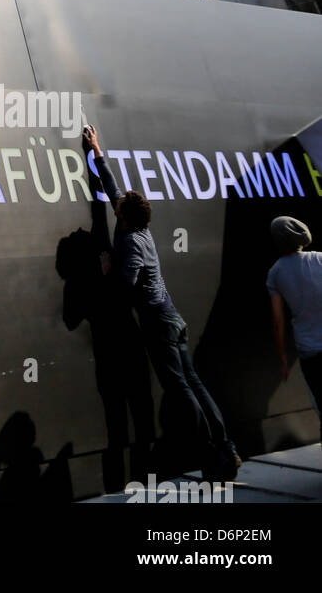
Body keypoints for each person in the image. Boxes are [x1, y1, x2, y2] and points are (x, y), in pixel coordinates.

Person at [83, 124, 241, 481]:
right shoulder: (136, 225)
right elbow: (110, 188)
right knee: (194, 383)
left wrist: (108, 269)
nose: (116, 201)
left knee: (181, 388)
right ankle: (226, 447)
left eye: (119, 205)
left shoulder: (133, 244)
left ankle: (213, 458)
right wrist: (96, 150)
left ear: (122, 215)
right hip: (171, 316)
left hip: (157, 321)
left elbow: (127, 283)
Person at [267, 215, 322, 443]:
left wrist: (282, 357)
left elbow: (278, 321)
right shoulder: (320, 260)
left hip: (310, 350)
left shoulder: (276, 273)